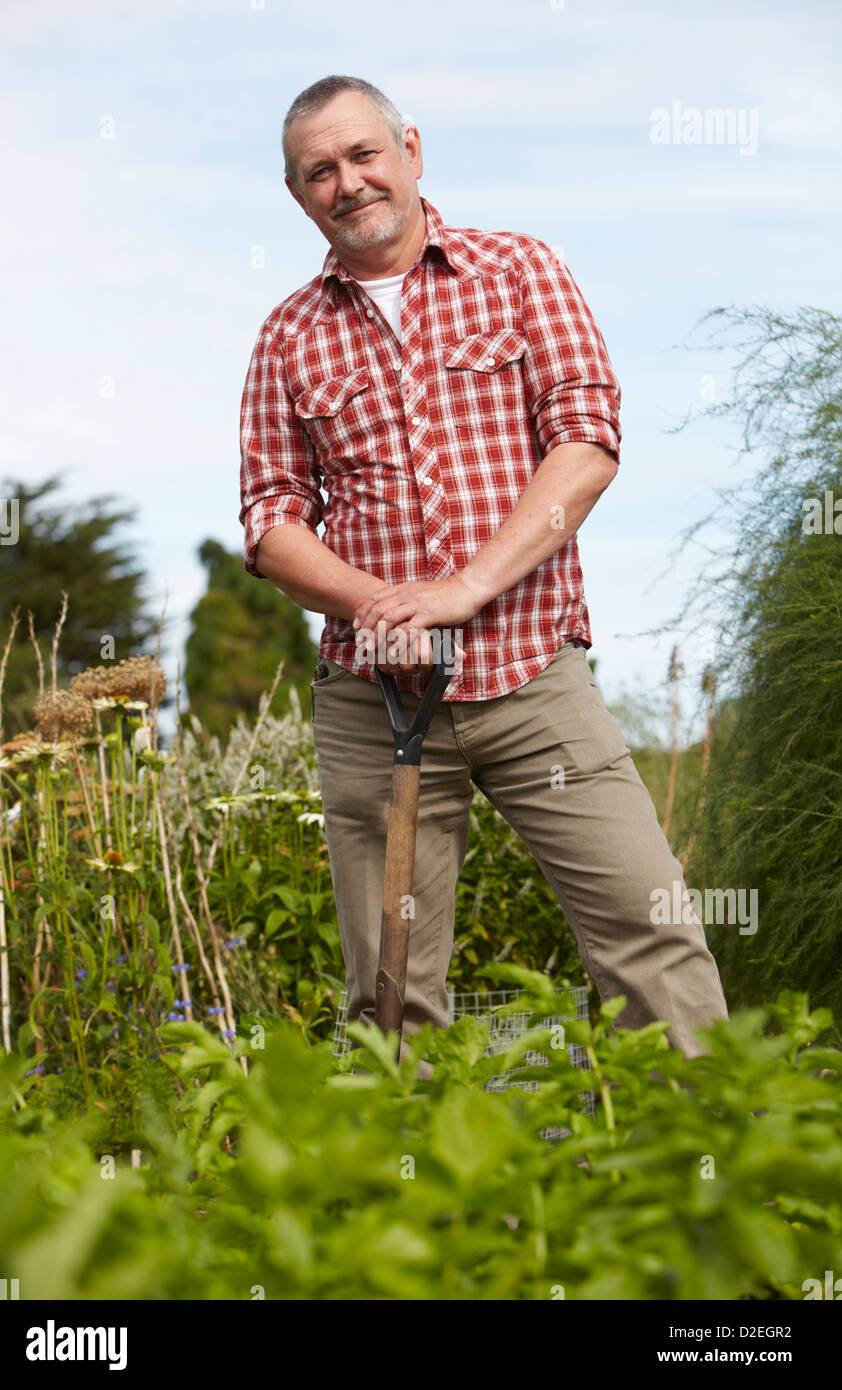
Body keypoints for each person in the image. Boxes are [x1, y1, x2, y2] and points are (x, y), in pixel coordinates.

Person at [239, 74, 728, 1061]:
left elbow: (585, 444)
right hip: (375, 704)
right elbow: (269, 521)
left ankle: (712, 1181)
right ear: (299, 197)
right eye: (318, 172)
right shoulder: (286, 335)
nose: (348, 182)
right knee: (389, 989)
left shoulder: (519, 272)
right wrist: (378, 602)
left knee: (648, 931)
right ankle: (417, 1195)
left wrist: (462, 590)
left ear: (410, 152)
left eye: (362, 154)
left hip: (530, 675)